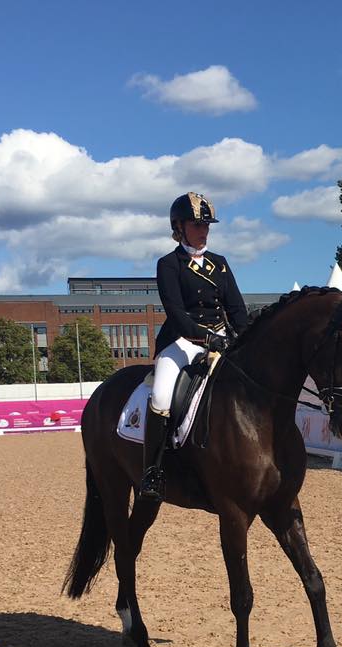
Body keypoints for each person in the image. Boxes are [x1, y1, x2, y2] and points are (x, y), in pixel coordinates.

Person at [141, 192, 249, 501]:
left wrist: (244, 337)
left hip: (222, 337)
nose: (204, 231)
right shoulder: (168, 264)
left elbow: (236, 308)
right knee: (161, 395)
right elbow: (175, 312)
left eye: (207, 226)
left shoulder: (220, 263)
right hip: (182, 341)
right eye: (197, 225)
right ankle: (153, 471)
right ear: (179, 227)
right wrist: (207, 337)